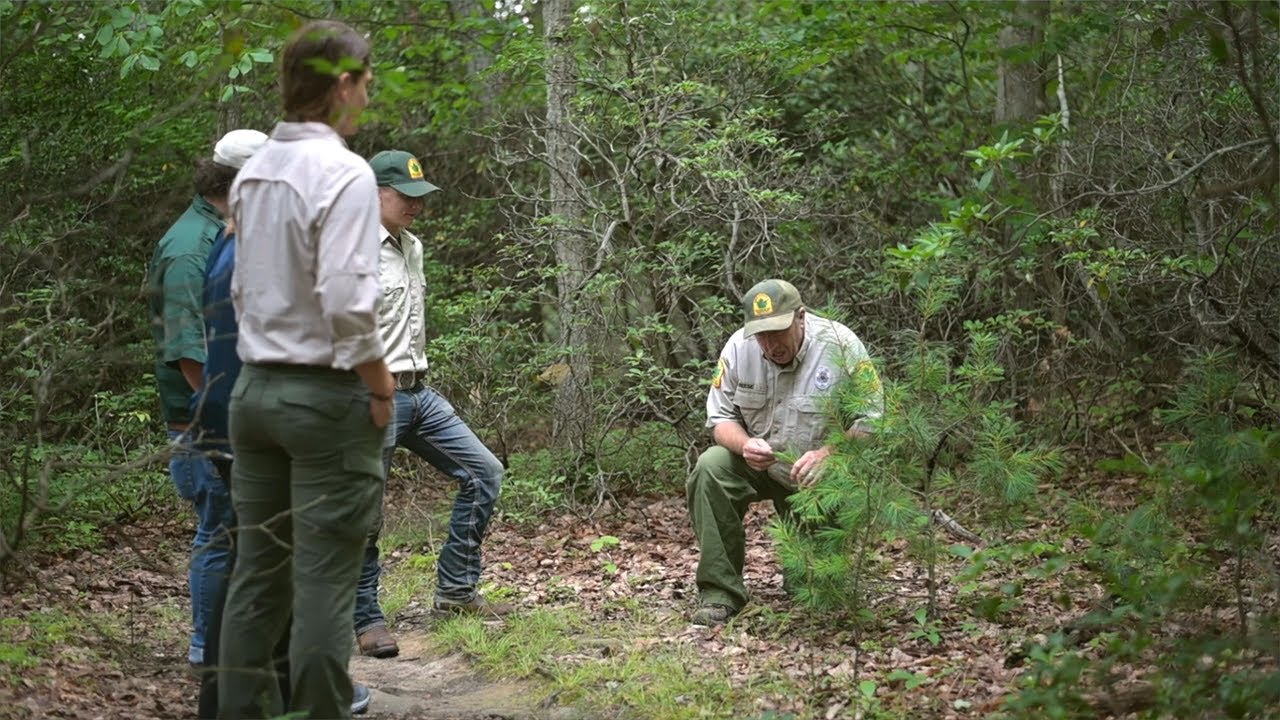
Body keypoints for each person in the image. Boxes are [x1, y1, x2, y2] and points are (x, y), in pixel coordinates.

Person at [215, 20, 392, 720]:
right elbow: (349, 304)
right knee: (323, 581)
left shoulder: (254, 170)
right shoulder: (344, 171)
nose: (368, 94)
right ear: (341, 84)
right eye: (365, 81)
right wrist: (380, 387)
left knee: (257, 578)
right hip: (324, 396)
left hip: (253, 392)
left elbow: (239, 288)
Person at [192, 223, 370, 715]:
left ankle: (240, 703)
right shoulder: (322, 201)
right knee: (313, 574)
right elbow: (348, 309)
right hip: (291, 407)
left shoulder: (233, 243)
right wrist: (378, 384)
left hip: (246, 405)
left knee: (255, 567)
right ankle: (310, 703)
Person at [352, 150, 510, 660]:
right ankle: (365, 617)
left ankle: (456, 591)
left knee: (483, 471)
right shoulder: (350, 251)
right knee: (366, 509)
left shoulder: (412, 247)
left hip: (419, 389)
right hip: (372, 394)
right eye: (406, 196)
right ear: (376, 193)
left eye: (421, 197)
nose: (416, 206)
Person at [687, 279, 883, 626]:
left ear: (801, 317)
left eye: (778, 332)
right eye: (761, 334)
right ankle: (720, 592)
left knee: (812, 591)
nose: (770, 344)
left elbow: (874, 420)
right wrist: (745, 444)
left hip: (817, 476)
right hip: (759, 463)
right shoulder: (737, 348)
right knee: (711, 467)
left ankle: (808, 573)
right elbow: (719, 419)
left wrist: (829, 454)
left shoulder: (841, 345)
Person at [146, 128, 266, 666]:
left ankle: (224, 654)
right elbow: (189, 351)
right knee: (219, 533)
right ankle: (208, 654)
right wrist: (225, 418)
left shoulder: (221, 230)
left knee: (235, 536)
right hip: (203, 425)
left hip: (224, 417)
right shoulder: (191, 246)